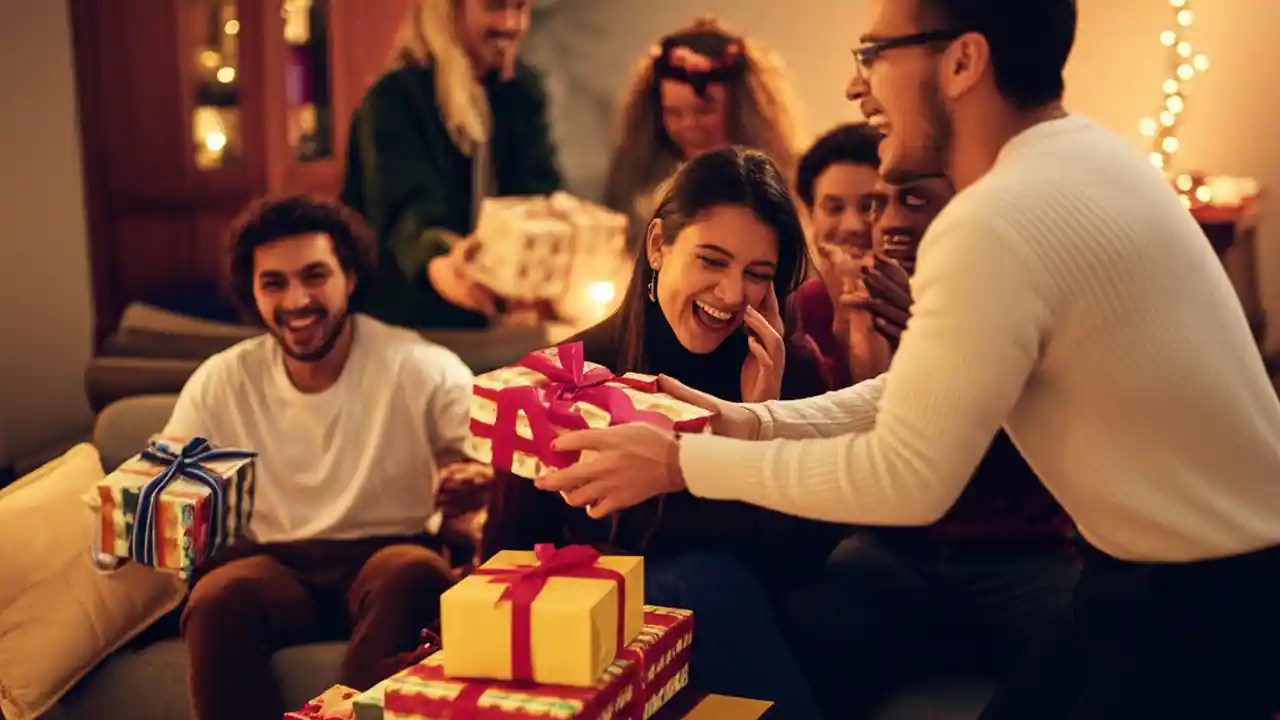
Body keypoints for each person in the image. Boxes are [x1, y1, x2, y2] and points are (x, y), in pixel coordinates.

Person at [535, 1, 1280, 717]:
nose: (858, 85)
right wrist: (746, 423)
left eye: (875, 52)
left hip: (1203, 600)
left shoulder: (998, 217)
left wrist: (677, 463)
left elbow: (907, 476)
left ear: (962, 61)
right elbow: (910, 395)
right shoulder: (1082, 158)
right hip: (1160, 579)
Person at [484, 147, 840, 719]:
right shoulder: (566, 375)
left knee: (712, 582)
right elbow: (508, 553)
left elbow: (806, 554)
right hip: (605, 633)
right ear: (657, 246)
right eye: (711, 261)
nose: (730, 294)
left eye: (757, 275)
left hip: (746, 629)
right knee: (697, 580)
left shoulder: (787, 367)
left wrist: (761, 423)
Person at [785, 122, 1078, 718]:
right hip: (889, 547)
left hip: (1016, 549)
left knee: (1079, 640)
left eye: (872, 204)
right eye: (831, 207)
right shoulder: (807, 309)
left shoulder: (978, 290)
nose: (856, 224)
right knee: (816, 618)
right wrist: (857, 347)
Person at [170, 196, 473, 720]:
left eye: (315, 276)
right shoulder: (223, 379)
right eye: (274, 283)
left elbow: (495, 463)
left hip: (391, 552)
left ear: (349, 278)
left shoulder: (421, 366)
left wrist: (478, 480)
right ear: (253, 291)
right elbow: (161, 488)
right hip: (277, 565)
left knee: (415, 572)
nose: (297, 300)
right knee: (218, 596)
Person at [341, 0, 561, 330]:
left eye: (520, 8)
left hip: (496, 321)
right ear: (448, 10)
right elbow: (406, 219)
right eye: (495, 7)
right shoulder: (393, 99)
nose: (512, 24)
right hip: (410, 322)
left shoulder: (520, 91)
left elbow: (538, 191)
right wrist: (446, 260)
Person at [603, 16, 804, 249]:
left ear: (742, 109)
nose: (689, 125)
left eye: (704, 110)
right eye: (674, 113)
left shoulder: (785, 184)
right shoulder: (641, 185)